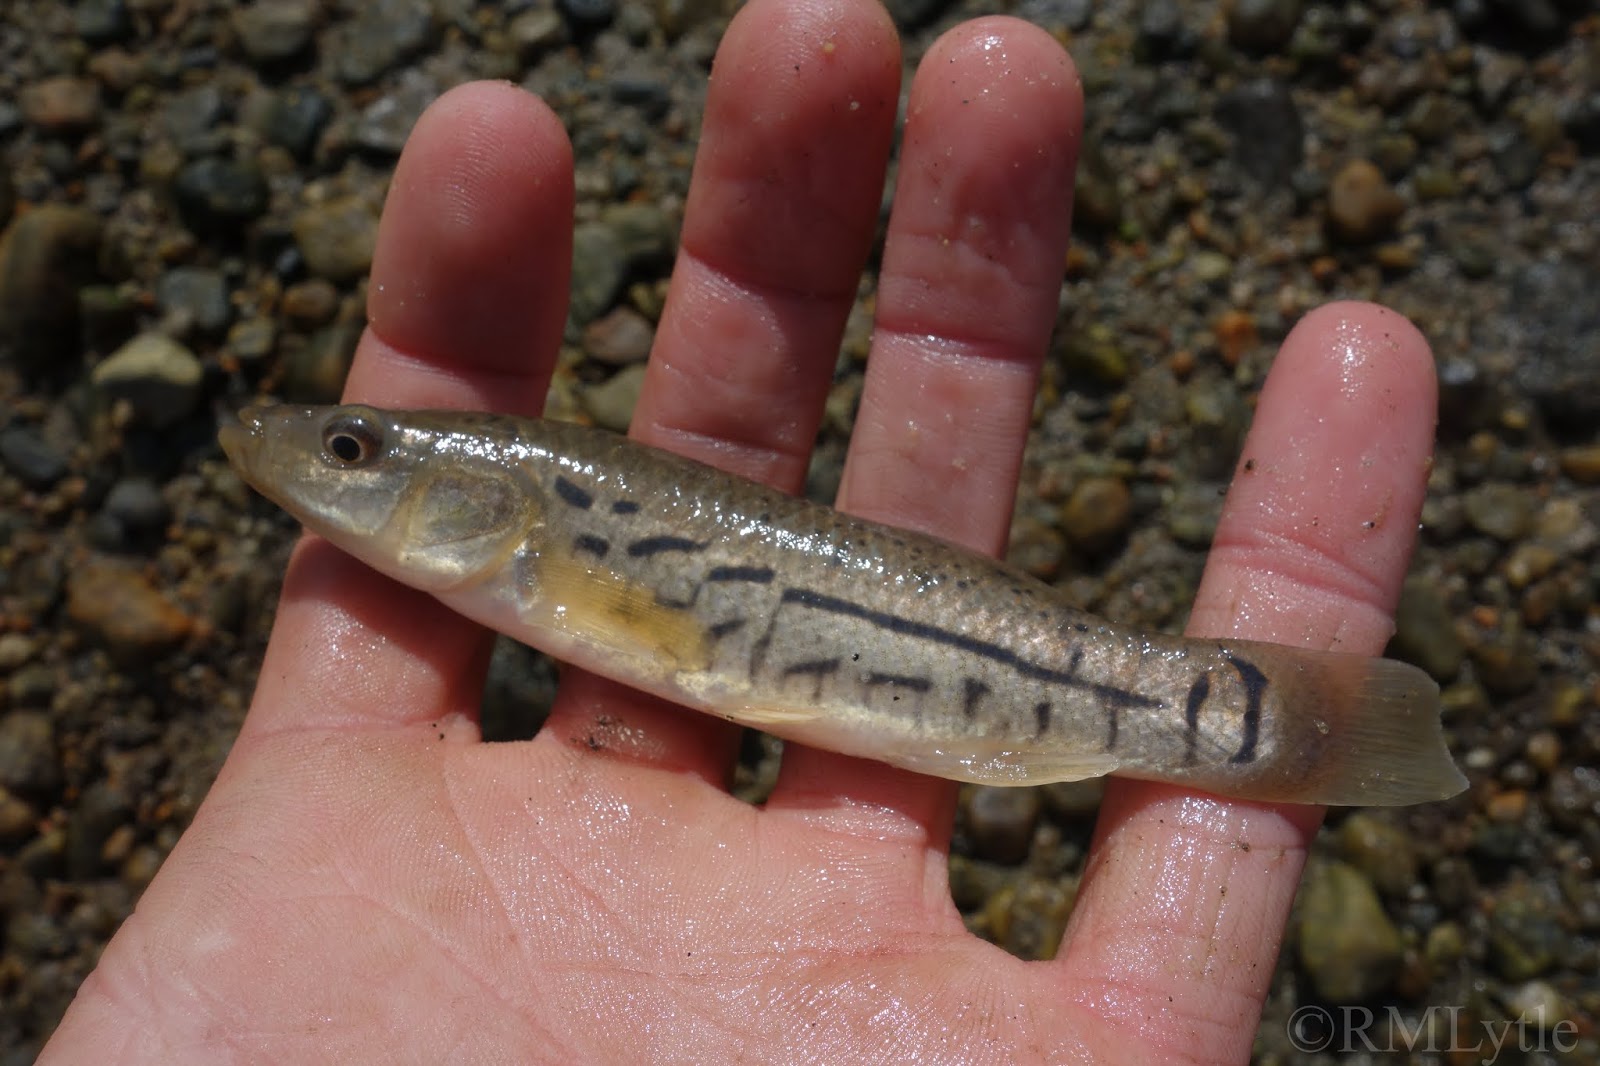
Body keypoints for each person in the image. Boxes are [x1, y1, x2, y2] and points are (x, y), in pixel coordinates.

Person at [41, 2, 1439, 1062]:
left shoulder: (538, 538)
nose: (336, 461)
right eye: (356, 449)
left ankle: (1286, 722)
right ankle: (1258, 720)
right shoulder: (484, 546)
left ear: (500, 504)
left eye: (354, 451)